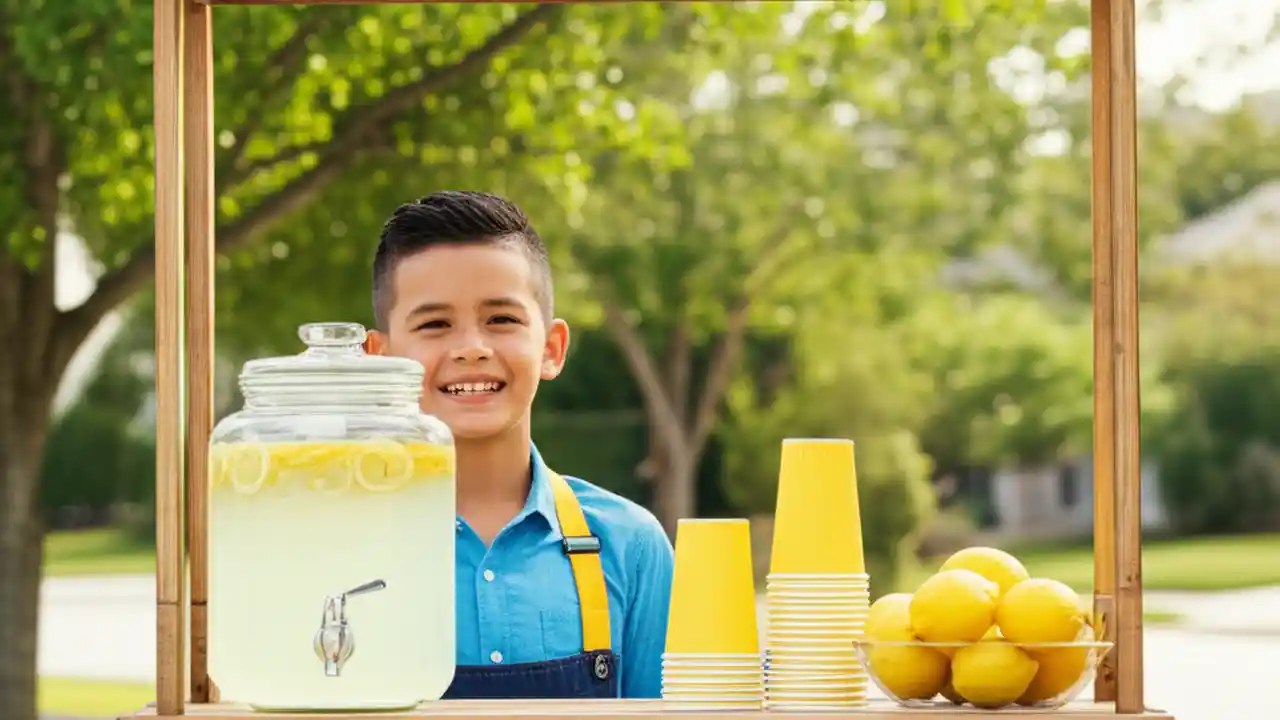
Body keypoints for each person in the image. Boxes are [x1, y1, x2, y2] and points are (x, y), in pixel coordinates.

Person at [364, 190, 675, 699]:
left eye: (501, 320)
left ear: (551, 349)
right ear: (381, 359)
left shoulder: (631, 545)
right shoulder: (335, 542)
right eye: (435, 324)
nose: (471, 348)